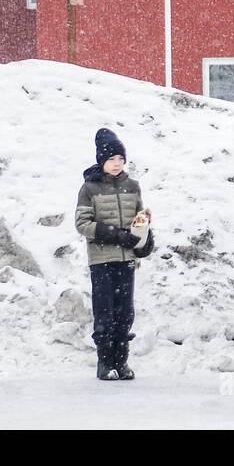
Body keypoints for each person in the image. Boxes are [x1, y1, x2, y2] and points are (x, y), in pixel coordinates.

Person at [75, 127, 155, 381]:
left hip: (126, 260)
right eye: (112, 159)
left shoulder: (132, 186)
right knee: (105, 311)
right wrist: (114, 234)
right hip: (102, 260)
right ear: (102, 160)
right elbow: (82, 224)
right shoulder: (89, 188)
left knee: (124, 312)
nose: (117, 164)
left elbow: (140, 219)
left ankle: (121, 362)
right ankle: (104, 362)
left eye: (121, 159)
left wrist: (144, 240)